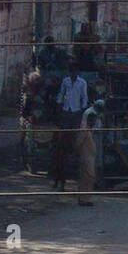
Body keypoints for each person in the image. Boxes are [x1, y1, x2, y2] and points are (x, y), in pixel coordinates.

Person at [53, 62, 88, 190]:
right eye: (71, 71)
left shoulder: (82, 82)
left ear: (77, 72)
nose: (73, 73)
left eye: (74, 71)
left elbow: (84, 97)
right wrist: (59, 105)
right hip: (67, 109)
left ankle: (74, 146)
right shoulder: (66, 81)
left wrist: (82, 110)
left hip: (76, 110)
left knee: (74, 134)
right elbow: (61, 94)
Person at [75, 111, 97, 206]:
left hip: (90, 157)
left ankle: (86, 198)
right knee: (86, 178)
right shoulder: (84, 130)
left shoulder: (89, 130)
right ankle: (83, 199)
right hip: (85, 157)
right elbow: (78, 143)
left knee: (90, 178)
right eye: (93, 120)